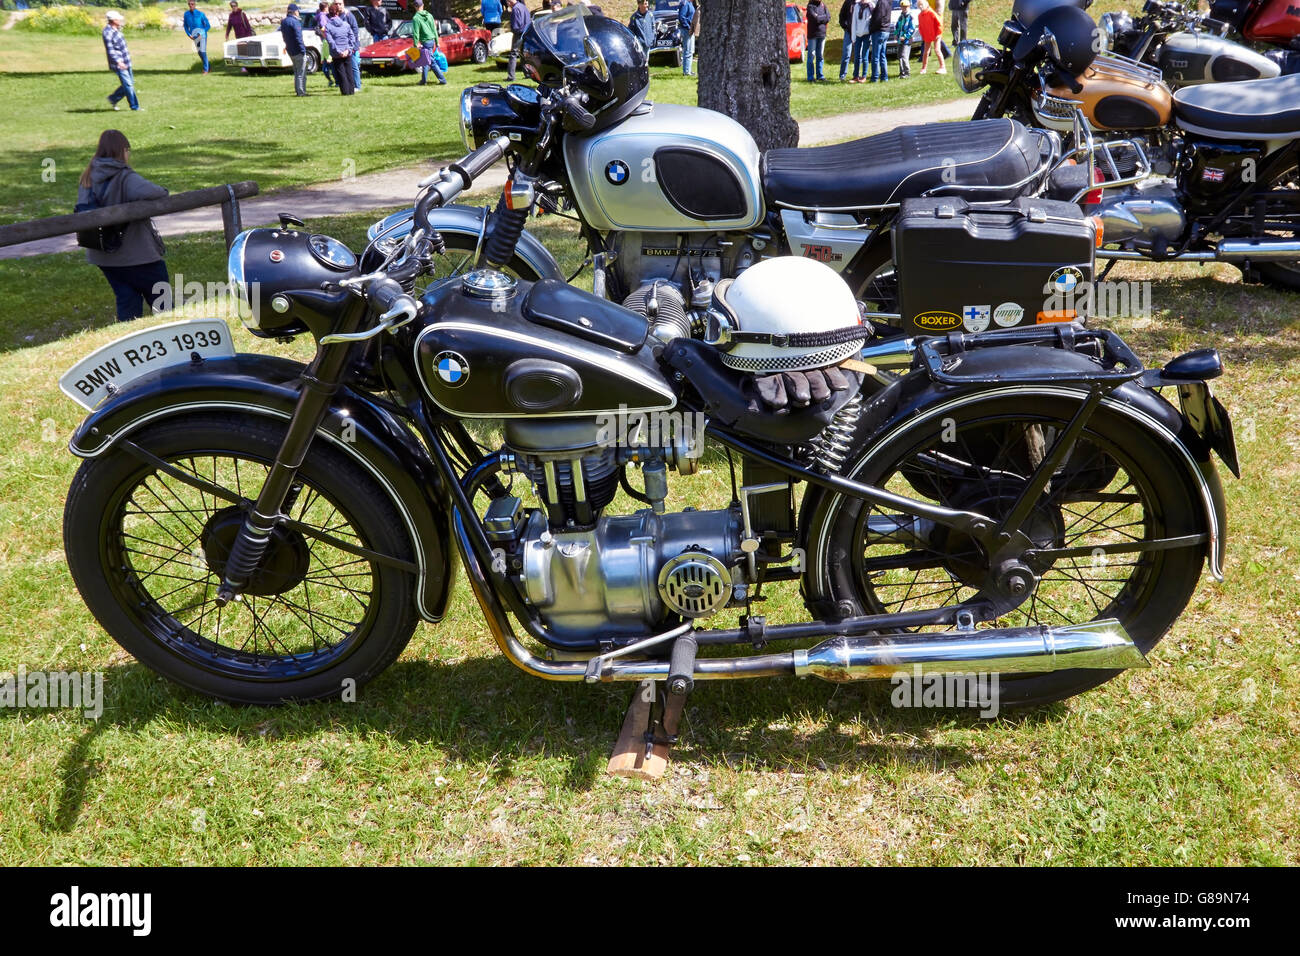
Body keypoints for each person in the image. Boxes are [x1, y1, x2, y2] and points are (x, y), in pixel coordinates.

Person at [78, 130, 169, 323]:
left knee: (127, 300)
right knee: (163, 302)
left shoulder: (88, 176)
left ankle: (130, 343)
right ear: (123, 151)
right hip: (134, 254)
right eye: (128, 150)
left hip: (102, 254)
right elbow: (156, 192)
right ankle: (172, 336)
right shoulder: (124, 176)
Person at [102, 11, 140, 112]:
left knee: (129, 83)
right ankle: (135, 107)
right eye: (119, 19)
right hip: (119, 64)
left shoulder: (117, 29)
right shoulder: (107, 33)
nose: (121, 20)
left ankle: (113, 98)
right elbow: (110, 50)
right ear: (114, 20)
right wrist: (119, 62)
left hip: (126, 61)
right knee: (128, 85)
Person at [324, 2, 356, 93]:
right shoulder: (346, 24)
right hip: (347, 51)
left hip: (337, 54)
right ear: (338, 13)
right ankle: (351, 91)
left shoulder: (328, 26)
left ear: (329, 14)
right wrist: (348, 49)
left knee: (341, 73)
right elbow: (352, 37)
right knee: (349, 72)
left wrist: (338, 51)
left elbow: (331, 41)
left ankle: (345, 92)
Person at [412, 0, 446, 85]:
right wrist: (437, 41)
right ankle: (423, 81)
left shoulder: (416, 18)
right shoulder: (429, 15)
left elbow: (416, 33)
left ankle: (442, 80)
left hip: (426, 42)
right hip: (431, 40)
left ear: (415, 7)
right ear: (422, 5)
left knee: (431, 62)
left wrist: (415, 44)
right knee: (425, 61)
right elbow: (434, 29)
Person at [281, 3, 308, 95]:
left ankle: (299, 90)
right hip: (298, 50)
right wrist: (303, 50)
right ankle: (301, 92)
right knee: (301, 72)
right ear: (294, 12)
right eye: (297, 11)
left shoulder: (284, 21)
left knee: (297, 72)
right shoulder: (295, 22)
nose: (298, 12)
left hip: (290, 49)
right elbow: (298, 37)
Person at [183, 0, 211, 74]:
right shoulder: (186, 14)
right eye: (189, 4)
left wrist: (201, 33)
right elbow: (185, 26)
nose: (191, 5)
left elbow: (208, 26)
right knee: (199, 53)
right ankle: (209, 67)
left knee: (202, 51)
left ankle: (205, 70)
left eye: (192, 4)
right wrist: (189, 35)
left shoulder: (201, 14)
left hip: (202, 36)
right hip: (194, 36)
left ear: (195, 5)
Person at [505, 0, 530, 81]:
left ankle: (511, 76)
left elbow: (516, 25)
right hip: (526, 33)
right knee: (523, 54)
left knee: (513, 54)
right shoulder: (523, 6)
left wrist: (513, 30)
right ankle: (528, 73)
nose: (507, 4)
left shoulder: (515, 8)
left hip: (518, 33)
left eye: (507, 2)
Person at [805, 0, 829, 81]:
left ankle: (820, 75)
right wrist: (823, 17)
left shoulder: (823, 5)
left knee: (820, 56)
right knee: (811, 56)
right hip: (813, 35)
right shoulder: (810, 6)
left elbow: (828, 17)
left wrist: (820, 17)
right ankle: (810, 77)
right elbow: (815, 19)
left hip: (822, 34)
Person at [918, 0, 944, 74]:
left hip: (936, 34)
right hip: (927, 35)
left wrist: (938, 34)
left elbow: (939, 23)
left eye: (921, 5)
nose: (920, 7)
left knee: (937, 49)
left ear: (926, 5)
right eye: (919, 5)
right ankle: (923, 68)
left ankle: (942, 67)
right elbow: (920, 27)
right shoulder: (920, 15)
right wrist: (923, 35)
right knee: (926, 51)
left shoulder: (931, 13)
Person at [849, 0, 871, 83]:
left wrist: (871, 36)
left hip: (867, 34)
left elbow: (872, 22)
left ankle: (864, 76)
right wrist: (853, 37)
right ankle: (855, 76)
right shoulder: (856, 6)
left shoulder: (870, 6)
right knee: (857, 56)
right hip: (858, 34)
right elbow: (854, 22)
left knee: (865, 56)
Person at [892, 0, 915, 77]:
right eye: (902, 7)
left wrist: (905, 36)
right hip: (900, 40)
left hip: (907, 41)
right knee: (899, 56)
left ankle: (907, 72)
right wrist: (895, 34)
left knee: (904, 56)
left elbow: (912, 28)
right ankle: (902, 72)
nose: (904, 8)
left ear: (909, 7)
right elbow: (898, 27)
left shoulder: (910, 17)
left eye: (905, 7)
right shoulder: (901, 17)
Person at [314, 2, 335, 86]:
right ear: (325, 7)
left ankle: (334, 80)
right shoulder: (322, 16)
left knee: (328, 66)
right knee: (330, 64)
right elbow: (323, 27)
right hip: (327, 40)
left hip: (325, 42)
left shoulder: (321, 15)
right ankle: (334, 80)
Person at [342, 3, 362, 90]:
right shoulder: (339, 16)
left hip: (352, 45)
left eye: (339, 3)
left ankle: (357, 85)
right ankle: (350, 84)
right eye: (336, 4)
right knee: (348, 67)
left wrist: (352, 45)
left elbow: (355, 31)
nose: (338, 5)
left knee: (354, 66)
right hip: (344, 45)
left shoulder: (349, 15)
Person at [868, 0, 889, 82]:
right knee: (882, 55)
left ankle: (875, 77)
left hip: (879, 31)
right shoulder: (888, 2)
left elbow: (878, 19)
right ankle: (884, 77)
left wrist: (871, 29)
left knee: (875, 56)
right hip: (886, 30)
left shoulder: (881, 3)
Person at [678, 0, 696, 76]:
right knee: (688, 51)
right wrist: (688, 27)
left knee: (690, 51)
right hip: (687, 30)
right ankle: (686, 72)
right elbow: (681, 17)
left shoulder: (690, 3)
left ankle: (688, 70)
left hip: (690, 29)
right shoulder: (685, 3)